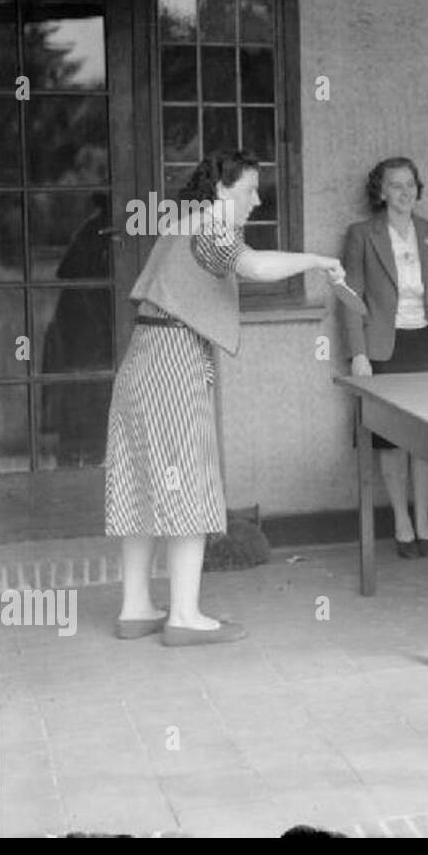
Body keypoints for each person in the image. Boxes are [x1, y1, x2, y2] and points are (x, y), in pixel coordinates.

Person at [105, 151, 345, 645]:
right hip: (174, 361)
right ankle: (185, 617)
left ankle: (136, 608)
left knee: (142, 483)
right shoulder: (213, 225)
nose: (257, 200)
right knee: (188, 485)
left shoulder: (180, 222)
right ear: (220, 191)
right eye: (249, 190)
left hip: (140, 361)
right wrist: (318, 261)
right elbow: (254, 266)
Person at [340, 157, 428, 559]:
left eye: (410, 184)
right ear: (381, 191)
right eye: (395, 185)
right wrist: (359, 354)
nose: (405, 192)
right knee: (391, 443)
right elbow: (350, 297)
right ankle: (402, 522)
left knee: (424, 440)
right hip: (382, 349)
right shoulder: (361, 234)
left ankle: (424, 520)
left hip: (424, 344)